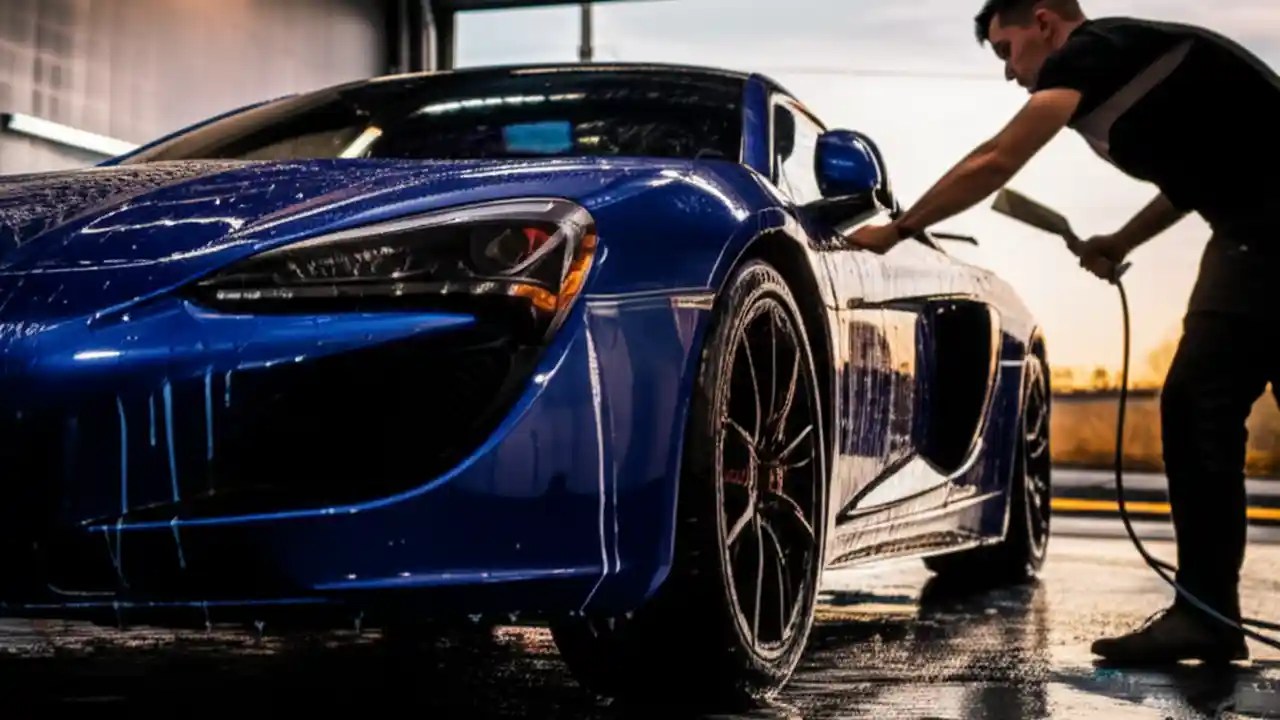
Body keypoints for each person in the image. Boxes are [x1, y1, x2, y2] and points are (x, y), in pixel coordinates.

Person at [849, 0, 1280, 664]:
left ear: (1045, 22)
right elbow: (1196, 179)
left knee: (1200, 404)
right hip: (1252, 230)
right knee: (1203, 404)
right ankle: (1208, 612)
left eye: (1007, 50)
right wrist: (1121, 239)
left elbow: (997, 159)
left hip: (1264, 235)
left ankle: (1207, 615)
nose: (1010, 74)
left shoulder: (1092, 50)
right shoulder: (1130, 67)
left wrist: (900, 228)